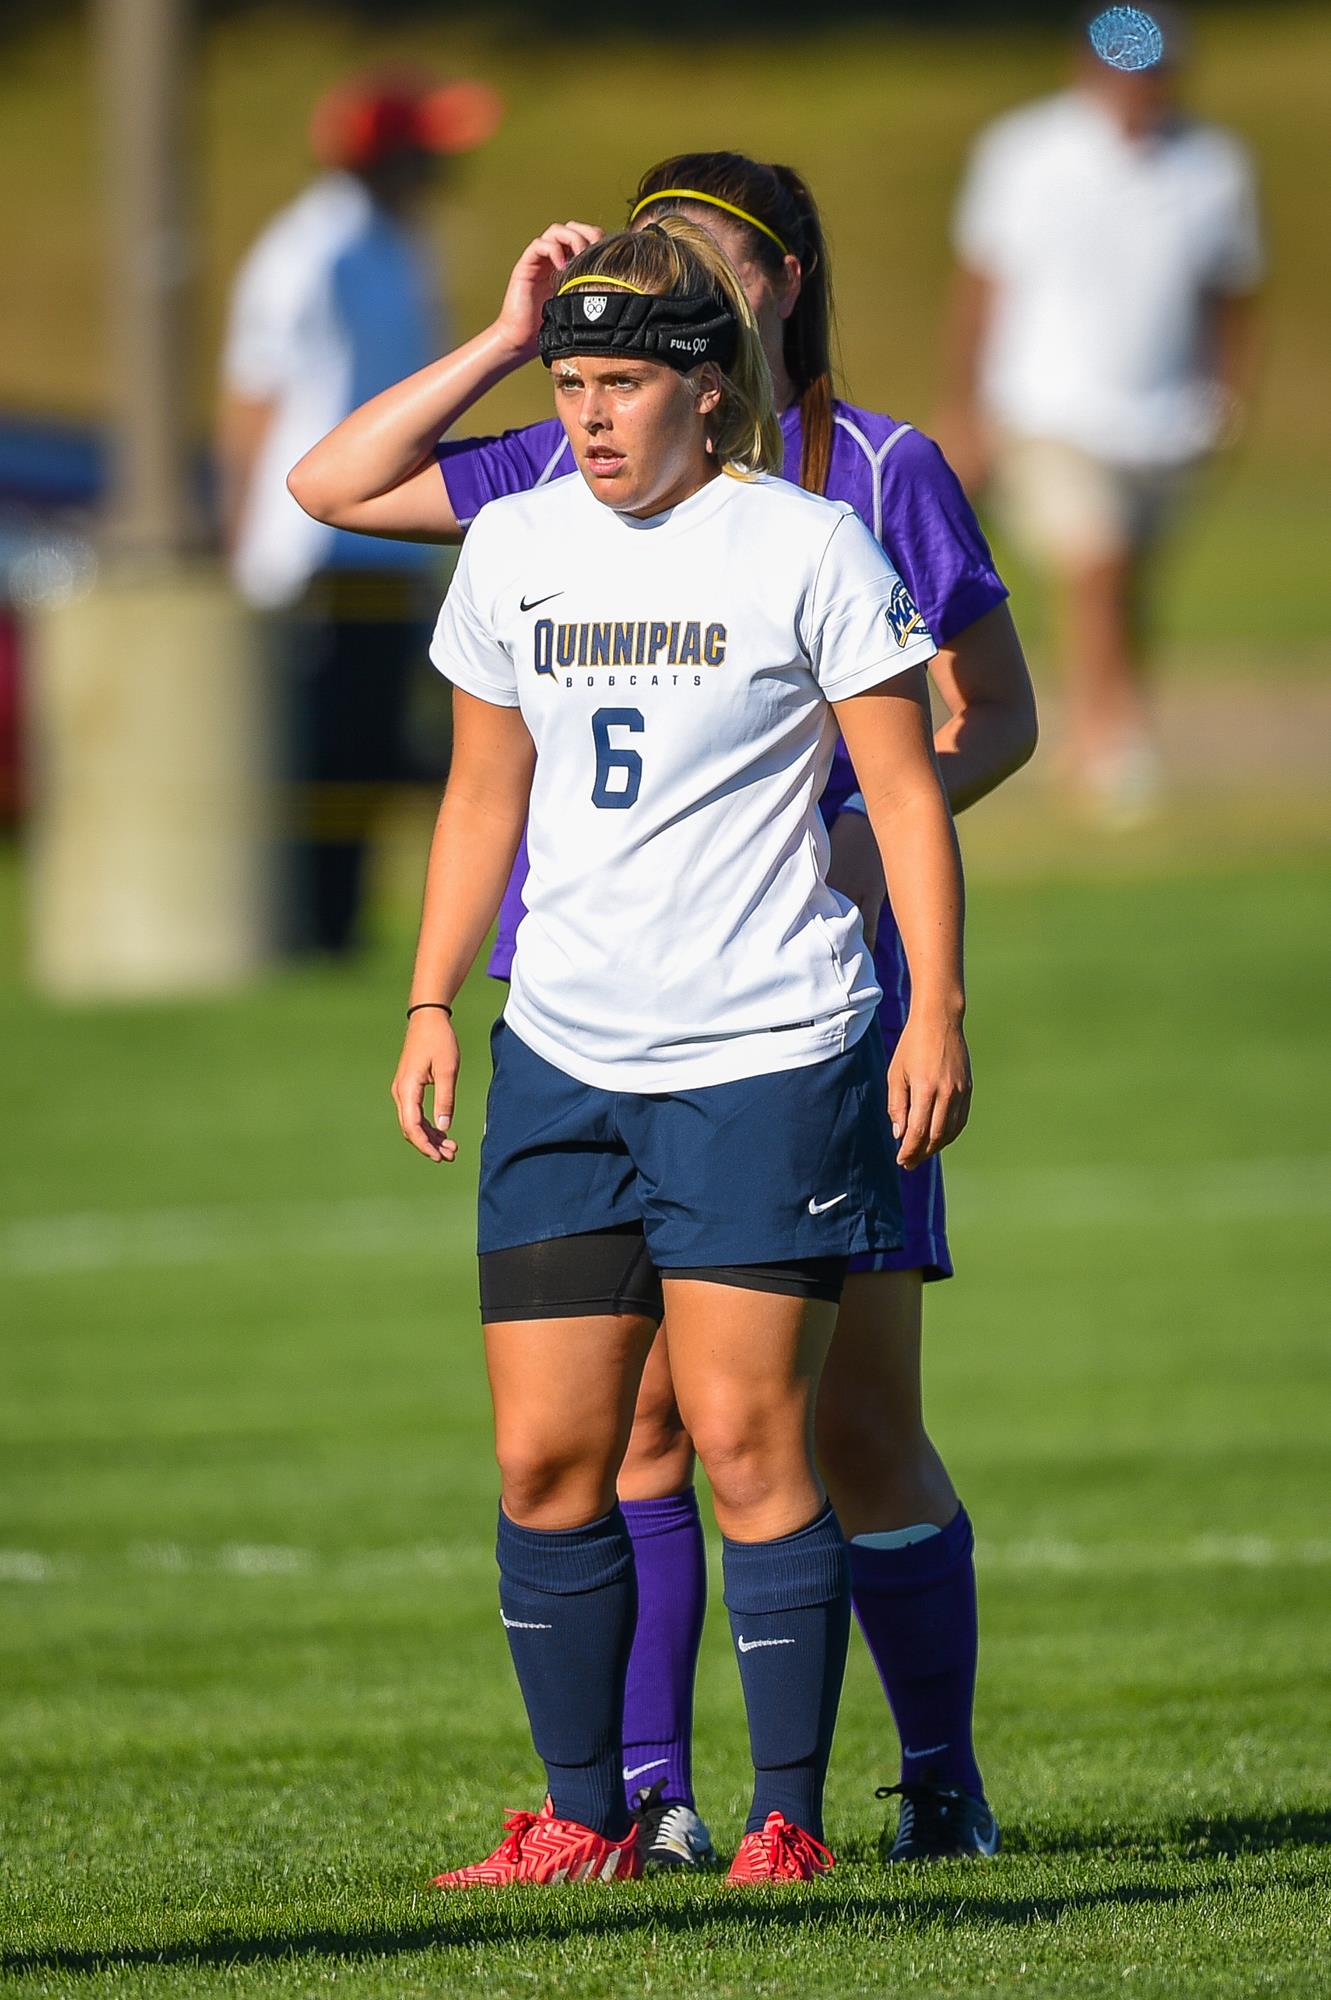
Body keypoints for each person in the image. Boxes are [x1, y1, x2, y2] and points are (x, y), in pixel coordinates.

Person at [288, 152, 1036, 1867]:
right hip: (569, 1046)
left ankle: (867, 1796)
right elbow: (356, 534)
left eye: (628, 357)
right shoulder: (535, 509)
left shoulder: (849, 500)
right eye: (576, 366)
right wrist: (425, 996)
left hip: (781, 1039)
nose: (590, 404)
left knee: (821, 1431)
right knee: (583, 1442)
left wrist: (919, 978)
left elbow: (947, 749)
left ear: (748, 321)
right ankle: (624, 1807)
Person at [940, 3, 1262, 823]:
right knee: (1096, 563)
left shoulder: (1212, 167)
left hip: (1164, 418)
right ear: (1088, 71)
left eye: (1153, 73)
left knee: (1128, 581)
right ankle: (1106, 743)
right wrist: (965, 404)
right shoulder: (1025, 153)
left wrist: (1229, 396)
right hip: (1045, 406)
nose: (1139, 89)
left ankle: (1117, 725)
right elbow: (982, 284)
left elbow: (1230, 293)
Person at [218, 67, 501, 952]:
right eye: (422, 152)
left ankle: (335, 931)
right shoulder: (312, 251)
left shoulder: (393, 245)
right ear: (381, 157)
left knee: (365, 748)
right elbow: (255, 392)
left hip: (383, 542)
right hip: (313, 548)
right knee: (316, 757)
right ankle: (303, 929)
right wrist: (240, 537)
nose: (440, 170)